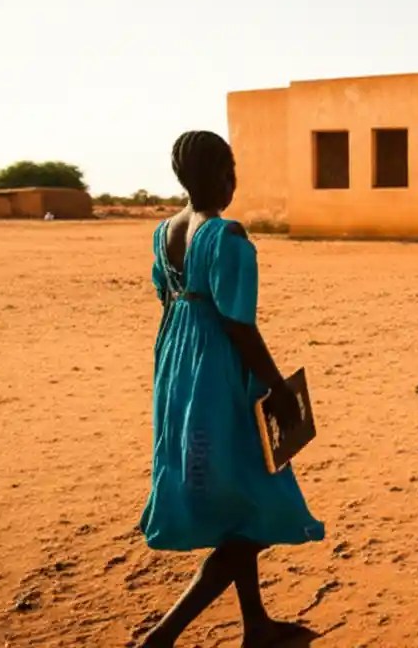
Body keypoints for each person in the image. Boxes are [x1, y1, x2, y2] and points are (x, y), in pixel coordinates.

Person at [139, 130, 325, 647]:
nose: (231, 181)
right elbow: (238, 323)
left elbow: (168, 300)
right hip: (221, 372)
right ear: (221, 173)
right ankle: (162, 635)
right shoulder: (227, 236)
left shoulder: (164, 232)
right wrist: (277, 388)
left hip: (177, 369)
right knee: (257, 506)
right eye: (230, 171)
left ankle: (256, 625)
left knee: (233, 497)